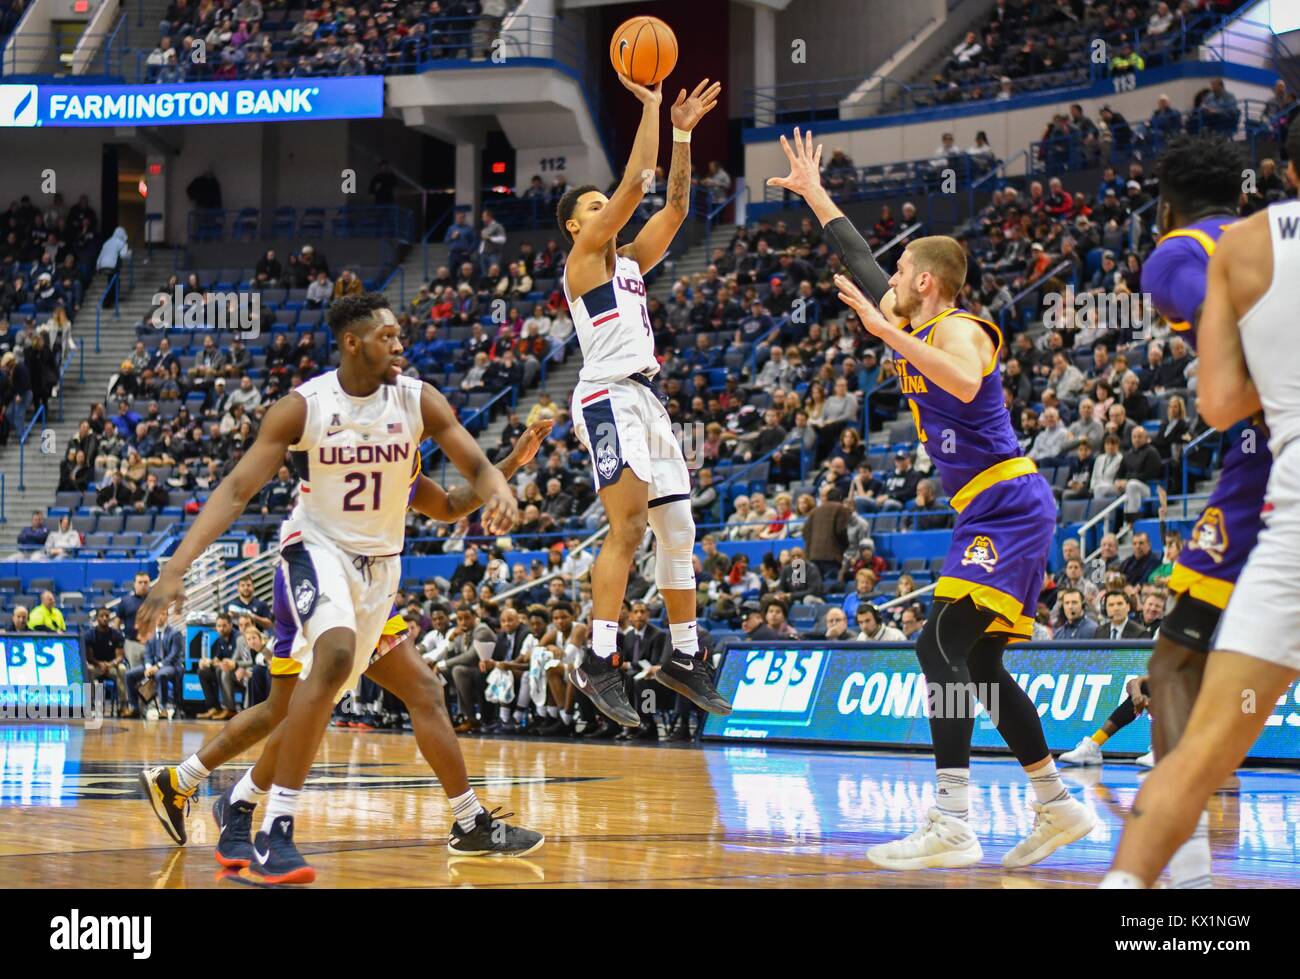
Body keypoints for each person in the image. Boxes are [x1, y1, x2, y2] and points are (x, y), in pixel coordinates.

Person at [768, 125, 1094, 871]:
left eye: (902, 269)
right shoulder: (914, 319)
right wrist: (816, 193)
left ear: (925, 283)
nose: (889, 276)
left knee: (934, 643)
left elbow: (966, 383)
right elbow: (858, 257)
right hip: (985, 510)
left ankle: (952, 818)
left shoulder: (962, 330)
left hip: (1009, 504)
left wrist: (886, 330)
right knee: (976, 666)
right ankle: (1057, 802)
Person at [134, 293, 528, 885]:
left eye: (402, 336)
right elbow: (237, 490)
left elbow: (457, 493)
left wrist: (503, 477)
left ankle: (214, 791)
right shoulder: (304, 409)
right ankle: (274, 830)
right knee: (329, 668)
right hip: (312, 557)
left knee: (340, 700)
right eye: (388, 335)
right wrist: (175, 570)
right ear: (353, 342)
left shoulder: (417, 403)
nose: (401, 344)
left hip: (379, 573)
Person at [1104, 128, 1300, 889]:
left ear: (1164, 206)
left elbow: (1233, 372)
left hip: (1265, 452)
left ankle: (1178, 870)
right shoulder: (1268, 229)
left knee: (1174, 659)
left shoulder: (1181, 254)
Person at [556, 74, 731, 728]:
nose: (612, 209)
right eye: (596, 205)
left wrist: (684, 134)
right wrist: (654, 109)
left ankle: (684, 655)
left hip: (648, 402)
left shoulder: (628, 262)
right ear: (578, 224)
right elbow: (636, 185)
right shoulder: (583, 261)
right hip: (606, 399)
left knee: (678, 529)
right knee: (627, 527)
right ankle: (599, 657)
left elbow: (676, 208)